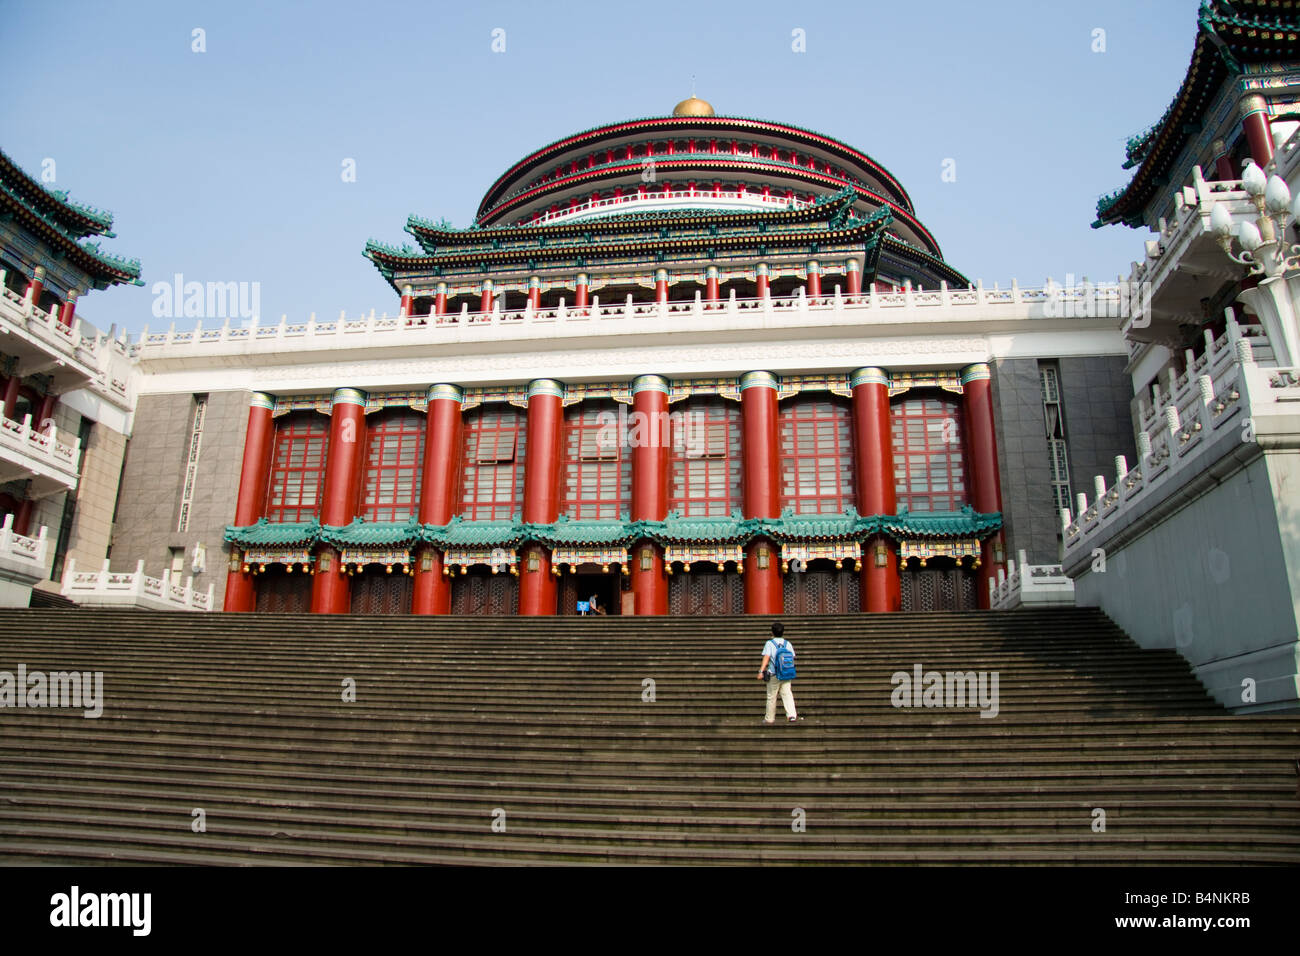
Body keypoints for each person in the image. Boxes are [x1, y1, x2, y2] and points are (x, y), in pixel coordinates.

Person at [757, 621, 798, 724]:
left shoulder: (770, 643)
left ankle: (769, 718)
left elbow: (766, 657)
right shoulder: (787, 643)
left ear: (772, 632)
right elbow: (792, 658)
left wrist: (761, 671)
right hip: (786, 673)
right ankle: (792, 715)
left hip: (774, 674)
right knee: (787, 694)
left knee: (771, 696)